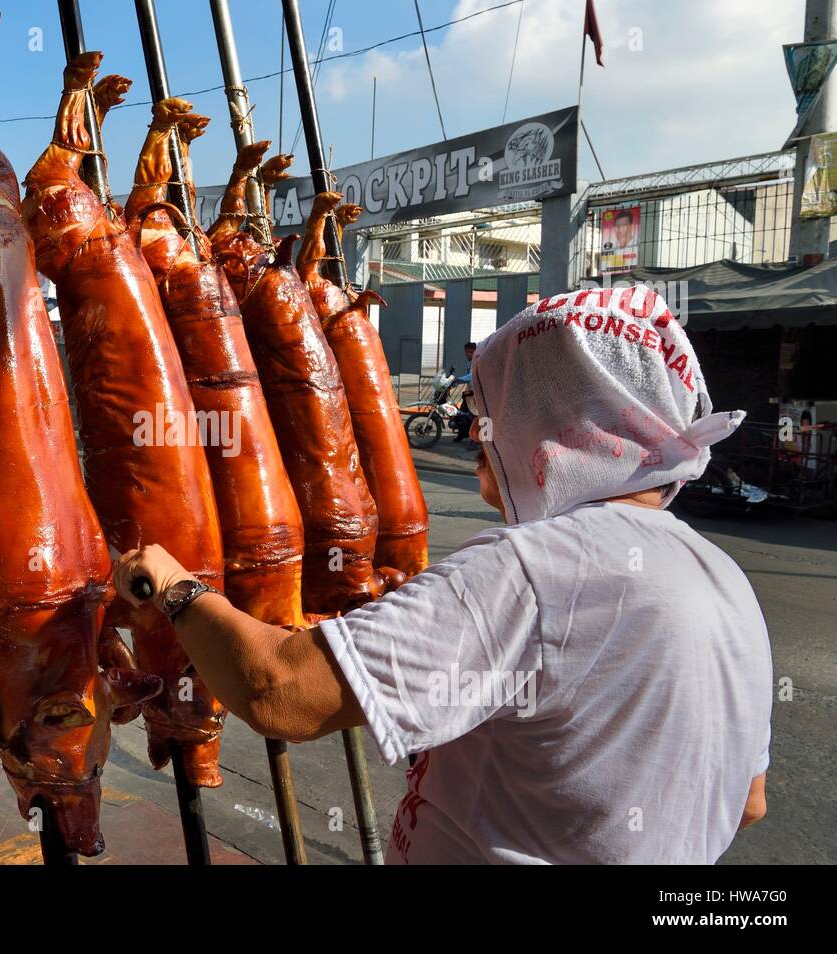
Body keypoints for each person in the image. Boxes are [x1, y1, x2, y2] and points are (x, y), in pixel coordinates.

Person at [113, 288, 772, 864]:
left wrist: (176, 587)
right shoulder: (726, 582)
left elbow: (278, 689)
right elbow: (748, 803)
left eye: (490, 412)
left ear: (543, 422)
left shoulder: (531, 570)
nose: (478, 434)